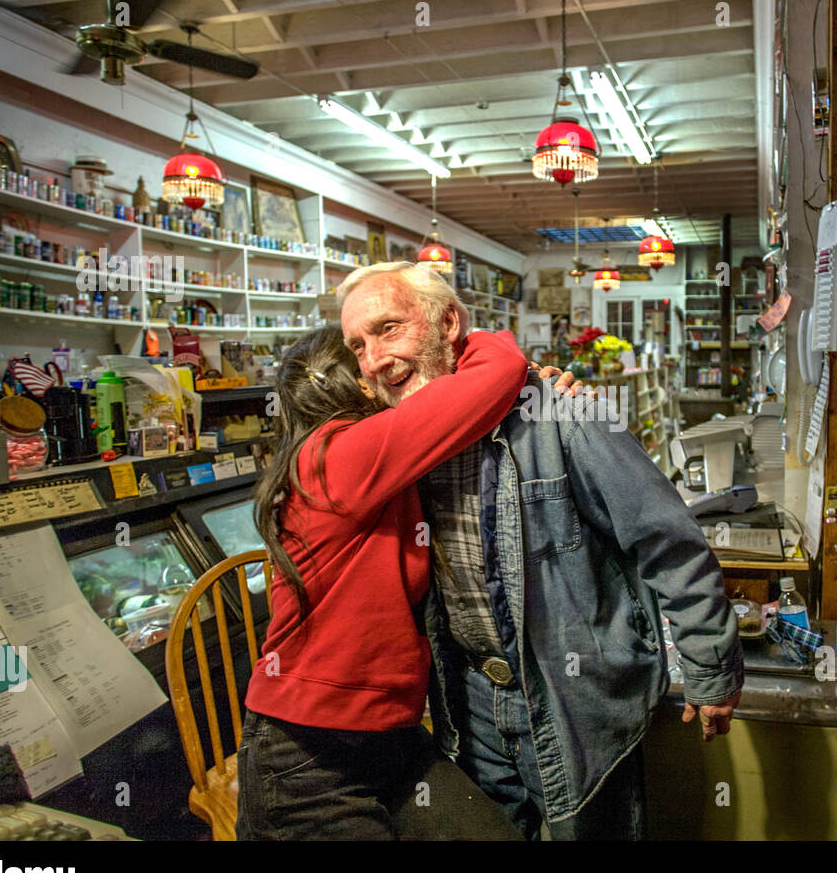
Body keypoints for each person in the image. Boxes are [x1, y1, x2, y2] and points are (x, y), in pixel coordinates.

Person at [339, 263, 744, 841]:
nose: (375, 359)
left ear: (448, 322)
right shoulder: (393, 444)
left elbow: (667, 540)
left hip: (574, 700)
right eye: (359, 345)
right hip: (468, 705)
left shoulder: (560, 413)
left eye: (388, 329)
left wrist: (711, 670)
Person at [237, 321, 533, 840]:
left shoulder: (346, 450)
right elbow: (500, 371)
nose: (384, 362)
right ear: (357, 381)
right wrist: (459, 338)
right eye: (364, 353)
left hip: (388, 736)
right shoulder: (345, 451)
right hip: (308, 755)